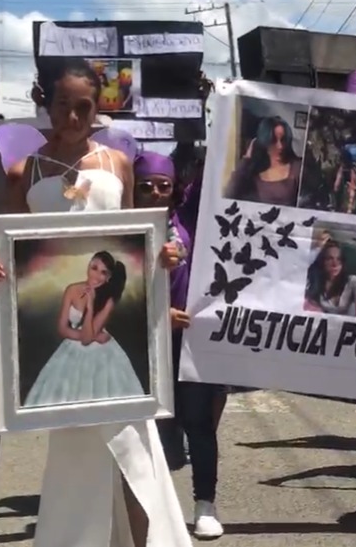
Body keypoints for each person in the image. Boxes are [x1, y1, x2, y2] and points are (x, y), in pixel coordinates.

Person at [0, 58, 190, 547]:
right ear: (45, 104)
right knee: (76, 453)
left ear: (97, 109)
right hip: (64, 341)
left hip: (122, 340)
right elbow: (8, 252)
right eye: (61, 106)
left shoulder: (117, 165)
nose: (72, 118)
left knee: (136, 450)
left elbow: (135, 245)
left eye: (83, 107)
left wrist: (164, 255)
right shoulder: (22, 171)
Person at [137, 151, 227, 539]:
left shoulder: (187, 219)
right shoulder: (116, 226)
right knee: (148, 431)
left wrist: (221, 107)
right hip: (141, 343)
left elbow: (211, 180)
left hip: (188, 341)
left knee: (199, 423)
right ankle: (151, 510)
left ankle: (204, 504)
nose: (156, 192)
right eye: (145, 186)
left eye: (164, 185)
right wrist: (158, 314)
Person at [22, 251, 145, 407]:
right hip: (72, 348)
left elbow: (87, 340)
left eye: (103, 273)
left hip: (102, 355)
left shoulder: (109, 300)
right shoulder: (71, 290)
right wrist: (90, 336)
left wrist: (90, 305)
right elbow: (63, 328)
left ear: (108, 278)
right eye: (94, 268)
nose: (96, 275)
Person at [224, 115, 302, 206]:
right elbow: (229, 196)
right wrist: (247, 158)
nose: (280, 146)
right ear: (264, 142)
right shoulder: (254, 173)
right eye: (273, 141)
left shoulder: (297, 167)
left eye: (283, 140)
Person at [303, 239, 356, 316]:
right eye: (330, 259)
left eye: (339, 259)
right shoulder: (315, 283)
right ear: (322, 261)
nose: (335, 264)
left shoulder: (353, 282)